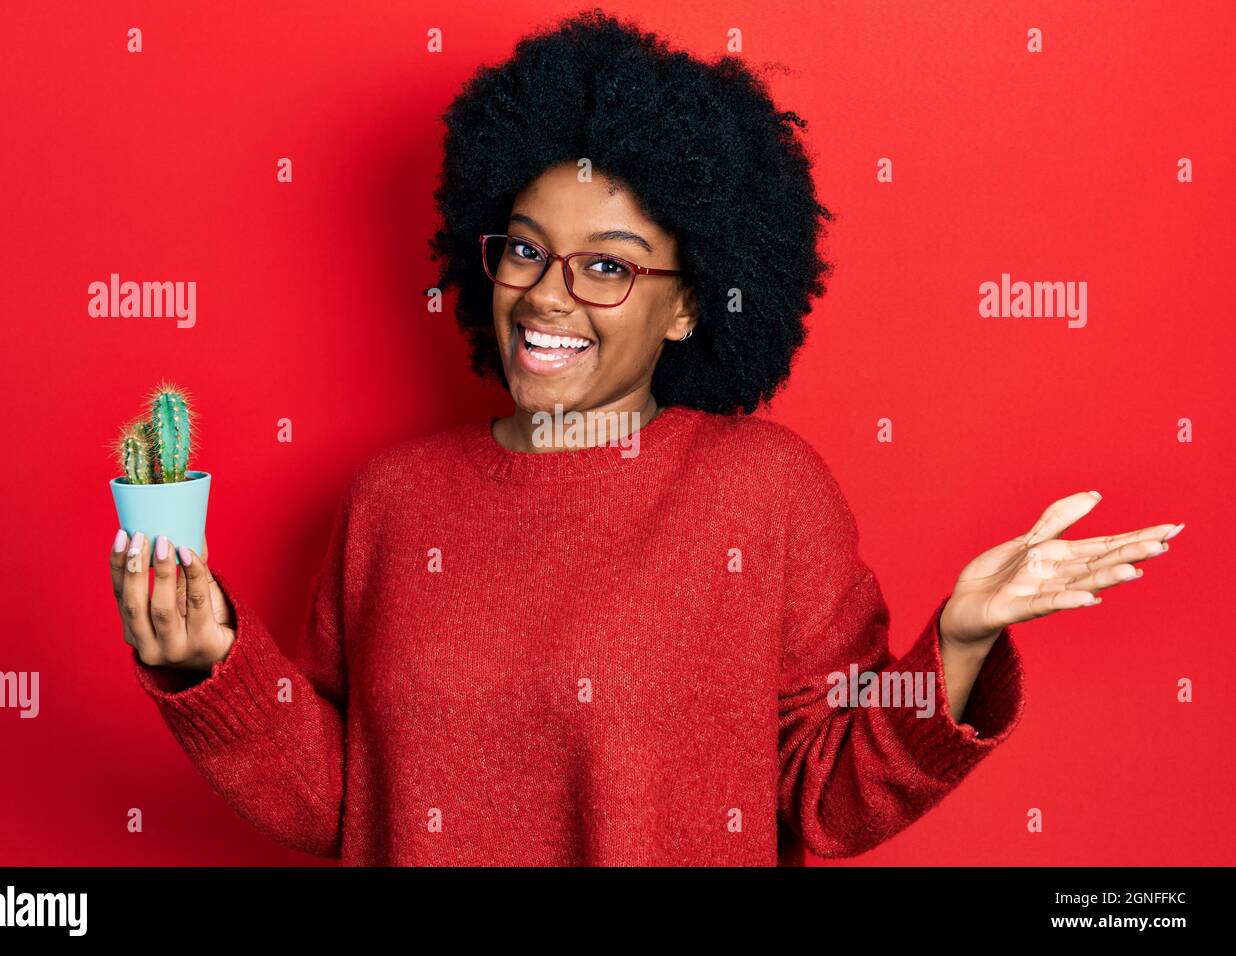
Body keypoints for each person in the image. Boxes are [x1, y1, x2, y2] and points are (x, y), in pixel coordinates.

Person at [106, 9, 1180, 866]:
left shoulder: (760, 490)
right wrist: (212, 664)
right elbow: (344, 801)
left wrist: (956, 643)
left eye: (608, 264)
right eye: (524, 249)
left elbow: (820, 799)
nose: (546, 296)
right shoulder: (394, 499)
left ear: (687, 304)